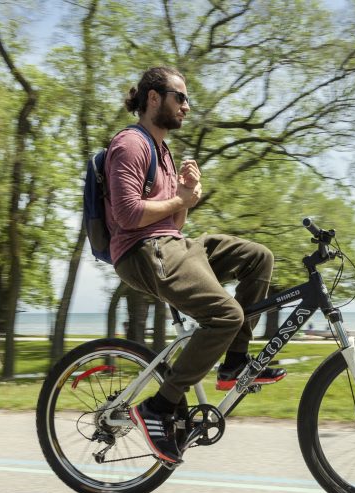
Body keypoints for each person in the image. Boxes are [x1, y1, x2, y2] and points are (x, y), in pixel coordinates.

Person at [108, 66, 285, 464]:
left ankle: (234, 363)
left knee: (259, 258)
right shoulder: (130, 145)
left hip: (171, 242)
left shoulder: (164, 152)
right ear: (154, 98)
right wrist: (181, 201)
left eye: (187, 99)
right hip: (142, 251)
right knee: (226, 314)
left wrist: (186, 197)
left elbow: (173, 220)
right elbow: (128, 214)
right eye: (180, 97)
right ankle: (160, 407)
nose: (187, 106)